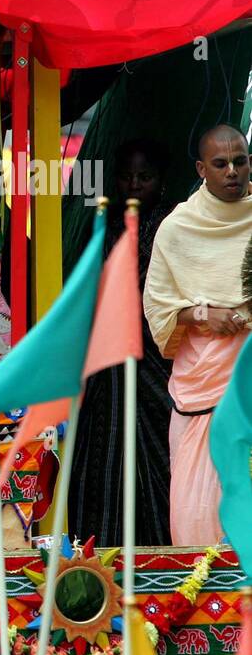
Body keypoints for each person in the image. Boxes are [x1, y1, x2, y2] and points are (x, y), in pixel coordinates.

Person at [143, 124, 252, 545]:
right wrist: (206, 313)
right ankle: (205, 596)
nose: (232, 172)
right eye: (221, 164)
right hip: (203, 381)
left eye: (240, 162)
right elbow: (158, 306)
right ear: (201, 169)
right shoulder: (179, 227)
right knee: (196, 508)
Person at [69, 139, 175, 547]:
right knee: (103, 465)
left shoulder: (172, 227)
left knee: (164, 461)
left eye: (144, 177)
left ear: (161, 182)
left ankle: (167, 553)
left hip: (154, 360)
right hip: (109, 366)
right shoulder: (104, 230)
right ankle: (101, 557)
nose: (134, 184)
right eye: (126, 176)